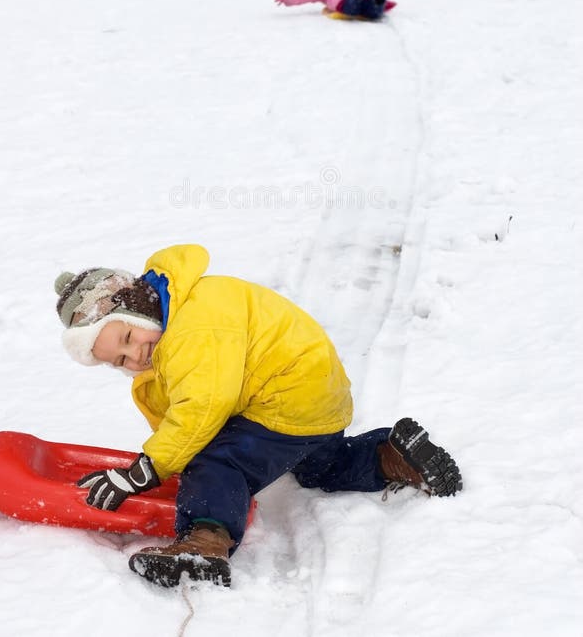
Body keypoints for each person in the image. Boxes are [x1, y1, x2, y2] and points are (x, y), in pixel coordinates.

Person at [55, 244, 462, 589]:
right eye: (120, 360)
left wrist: (146, 469)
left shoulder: (193, 328)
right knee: (319, 466)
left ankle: (204, 543)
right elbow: (189, 398)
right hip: (315, 397)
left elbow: (200, 409)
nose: (134, 356)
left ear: (138, 305)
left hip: (285, 395)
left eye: (128, 338)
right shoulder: (178, 314)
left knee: (216, 461)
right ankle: (389, 456)